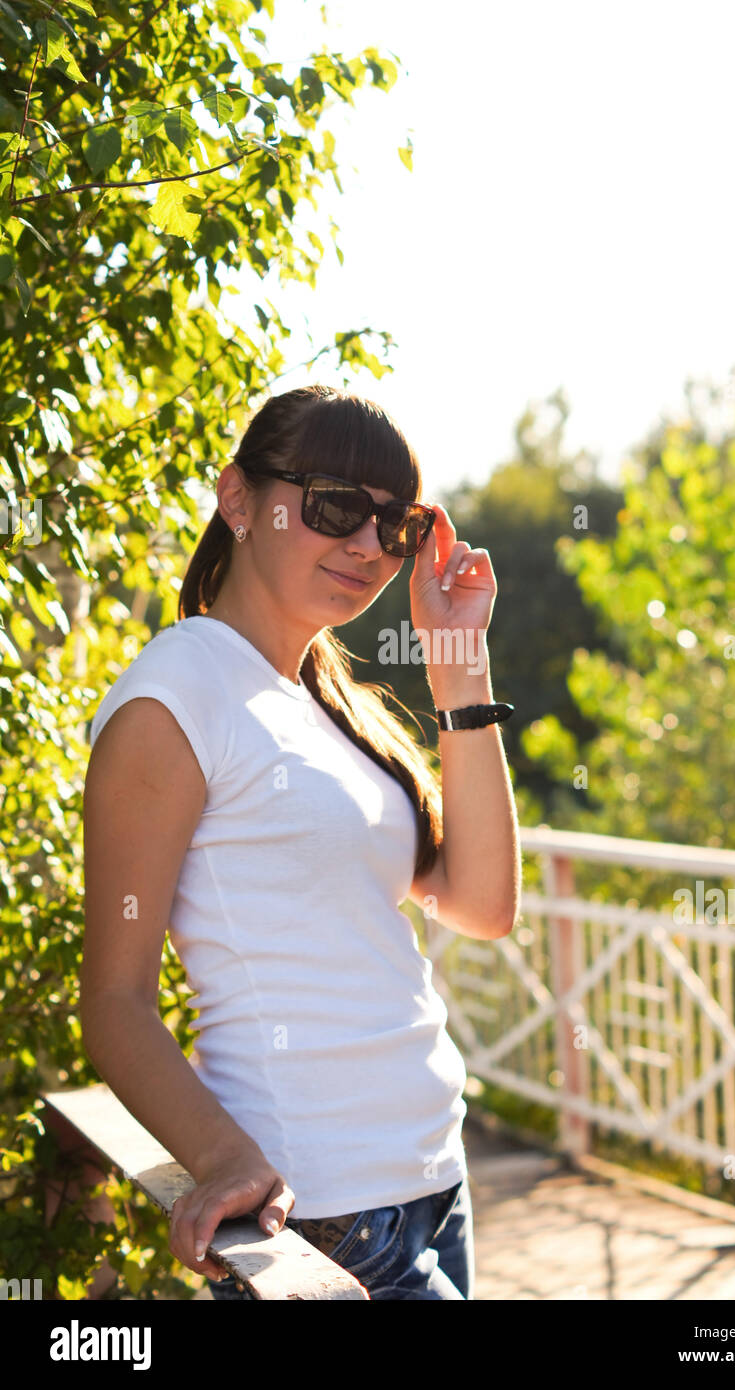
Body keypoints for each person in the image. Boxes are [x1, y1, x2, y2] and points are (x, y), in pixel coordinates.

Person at [81, 384, 521, 1300]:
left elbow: (480, 904)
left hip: (432, 1180)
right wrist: (223, 1158)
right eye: (333, 507)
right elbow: (114, 1000)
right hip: (319, 1211)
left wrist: (458, 664)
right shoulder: (175, 697)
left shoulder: (326, 706)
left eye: (394, 526)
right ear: (237, 498)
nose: (366, 545)